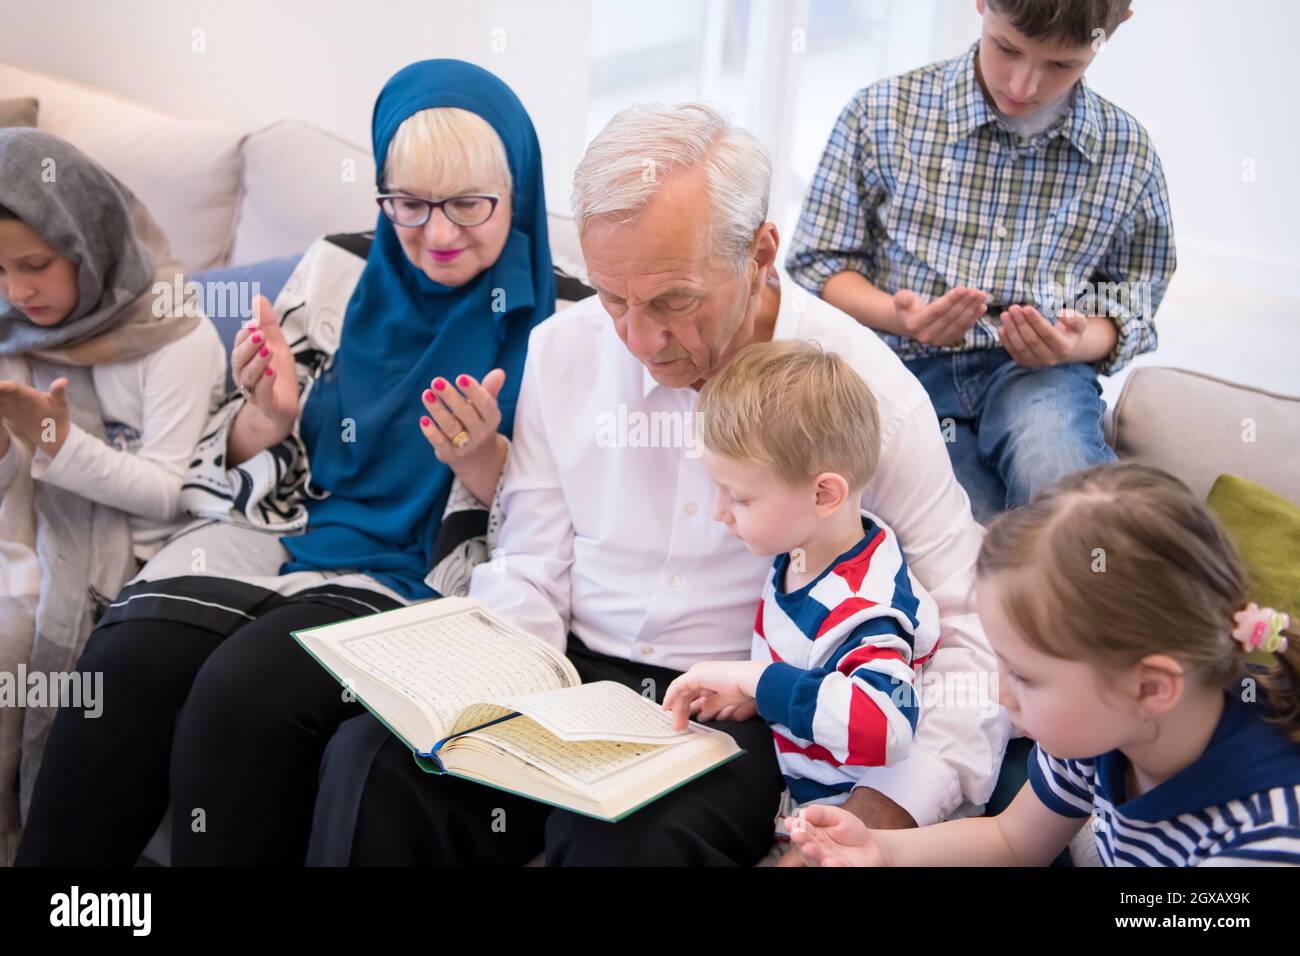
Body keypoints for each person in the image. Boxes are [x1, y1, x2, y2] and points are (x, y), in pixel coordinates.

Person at [306, 102, 1008, 867]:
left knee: (624, 840)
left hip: (739, 708)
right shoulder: (563, 350)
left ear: (760, 252)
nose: (641, 341)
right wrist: (490, 701)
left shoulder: (866, 392)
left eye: (674, 301)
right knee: (373, 761)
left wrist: (883, 816)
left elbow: (972, 631)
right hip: (566, 672)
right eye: (614, 299)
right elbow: (530, 564)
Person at [16, 59, 555, 866]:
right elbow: (222, 468)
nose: (438, 235)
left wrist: (483, 461)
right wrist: (264, 417)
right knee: (125, 661)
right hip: (283, 531)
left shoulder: (561, 322)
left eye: (470, 206)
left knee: (242, 697)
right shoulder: (338, 266)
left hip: (420, 579)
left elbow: (552, 530)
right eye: (407, 205)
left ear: (517, 193)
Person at [788, 464, 1300, 867]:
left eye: (1025, 676)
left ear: (1150, 687)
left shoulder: (1267, 835)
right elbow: (1011, 841)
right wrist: (883, 850)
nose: (999, 693)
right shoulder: (1102, 728)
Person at [786, 0, 1174, 524]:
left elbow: (1133, 298)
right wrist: (900, 316)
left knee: (1062, 495)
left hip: (1041, 375)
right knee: (961, 524)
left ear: (1116, 29)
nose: (1023, 84)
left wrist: (1073, 343)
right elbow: (819, 262)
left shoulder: (1127, 153)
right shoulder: (882, 113)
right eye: (1007, 48)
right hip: (902, 365)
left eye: (1062, 64)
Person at [0, 129, 225, 863]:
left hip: (126, 558)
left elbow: (166, 493)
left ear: (90, 246)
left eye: (35, 265)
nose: (17, 291)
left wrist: (58, 445)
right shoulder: (17, 331)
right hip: (28, 537)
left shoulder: (177, 339)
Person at [660, 339, 941, 853]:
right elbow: (812, 675)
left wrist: (754, 680)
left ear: (824, 495)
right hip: (803, 801)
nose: (719, 511)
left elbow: (885, 726)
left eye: (740, 496)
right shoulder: (804, 549)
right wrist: (756, 698)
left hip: (860, 835)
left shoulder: (864, 607)